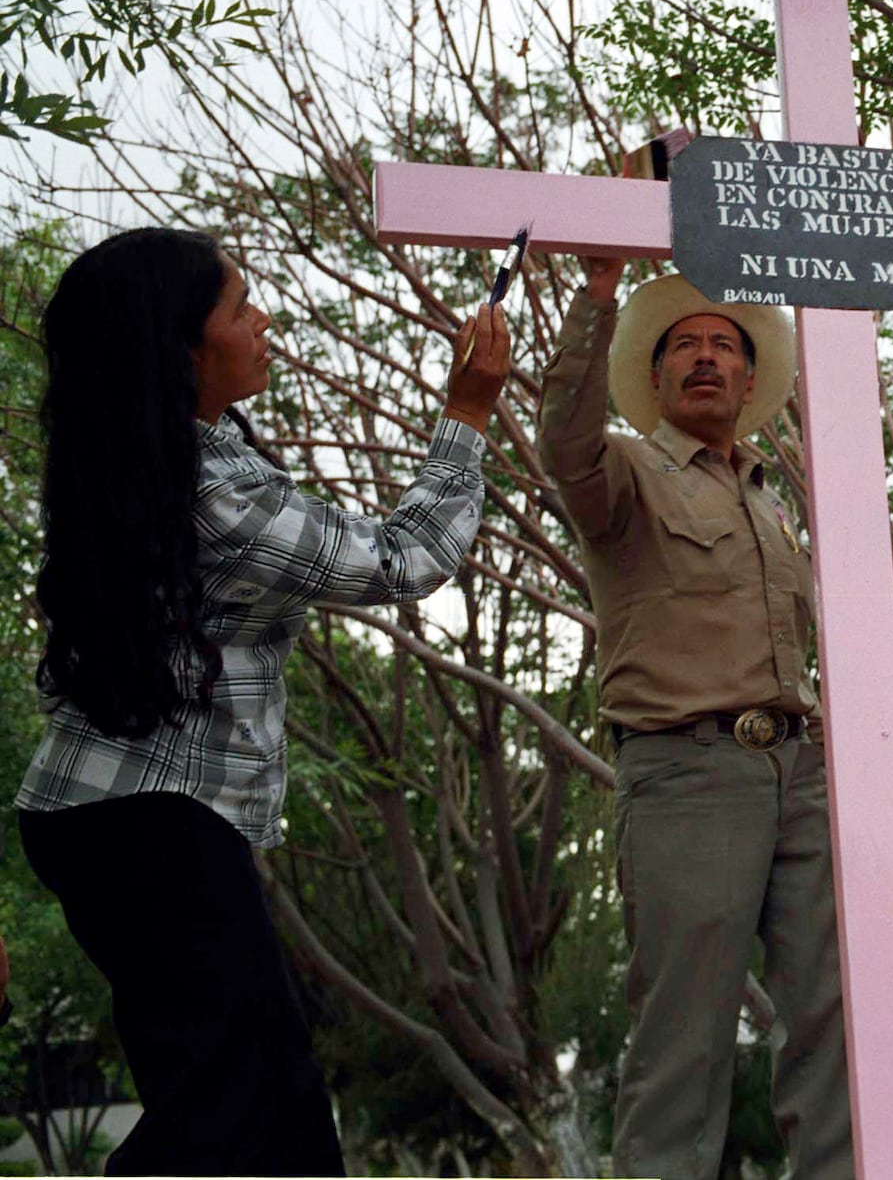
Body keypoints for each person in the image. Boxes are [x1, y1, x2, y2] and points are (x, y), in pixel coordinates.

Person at [13, 228, 508, 1175]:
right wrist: (468, 412)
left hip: (110, 813)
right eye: (241, 308)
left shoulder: (144, 459)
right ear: (181, 350)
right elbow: (402, 559)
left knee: (228, 1101)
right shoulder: (209, 492)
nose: (264, 321)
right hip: (150, 822)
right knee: (257, 1111)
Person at [537, 262, 850, 1180]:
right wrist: (597, 299)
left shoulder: (769, 501)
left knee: (835, 1019)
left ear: (750, 381)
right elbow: (565, 443)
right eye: (684, 346)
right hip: (690, 774)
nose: (706, 357)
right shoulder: (625, 470)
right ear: (655, 375)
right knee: (687, 1037)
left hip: (801, 773)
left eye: (723, 346)